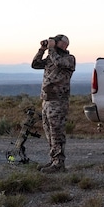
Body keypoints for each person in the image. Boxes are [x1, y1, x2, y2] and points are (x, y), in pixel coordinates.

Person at [31, 34, 76, 172]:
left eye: (56, 42)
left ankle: (59, 164)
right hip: (47, 100)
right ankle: (53, 161)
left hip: (58, 101)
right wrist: (42, 49)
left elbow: (58, 62)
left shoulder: (68, 59)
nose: (53, 44)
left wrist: (51, 49)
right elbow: (35, 64)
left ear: (63, 44)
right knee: (49, 132)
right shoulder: (51, 57)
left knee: (57, 132)